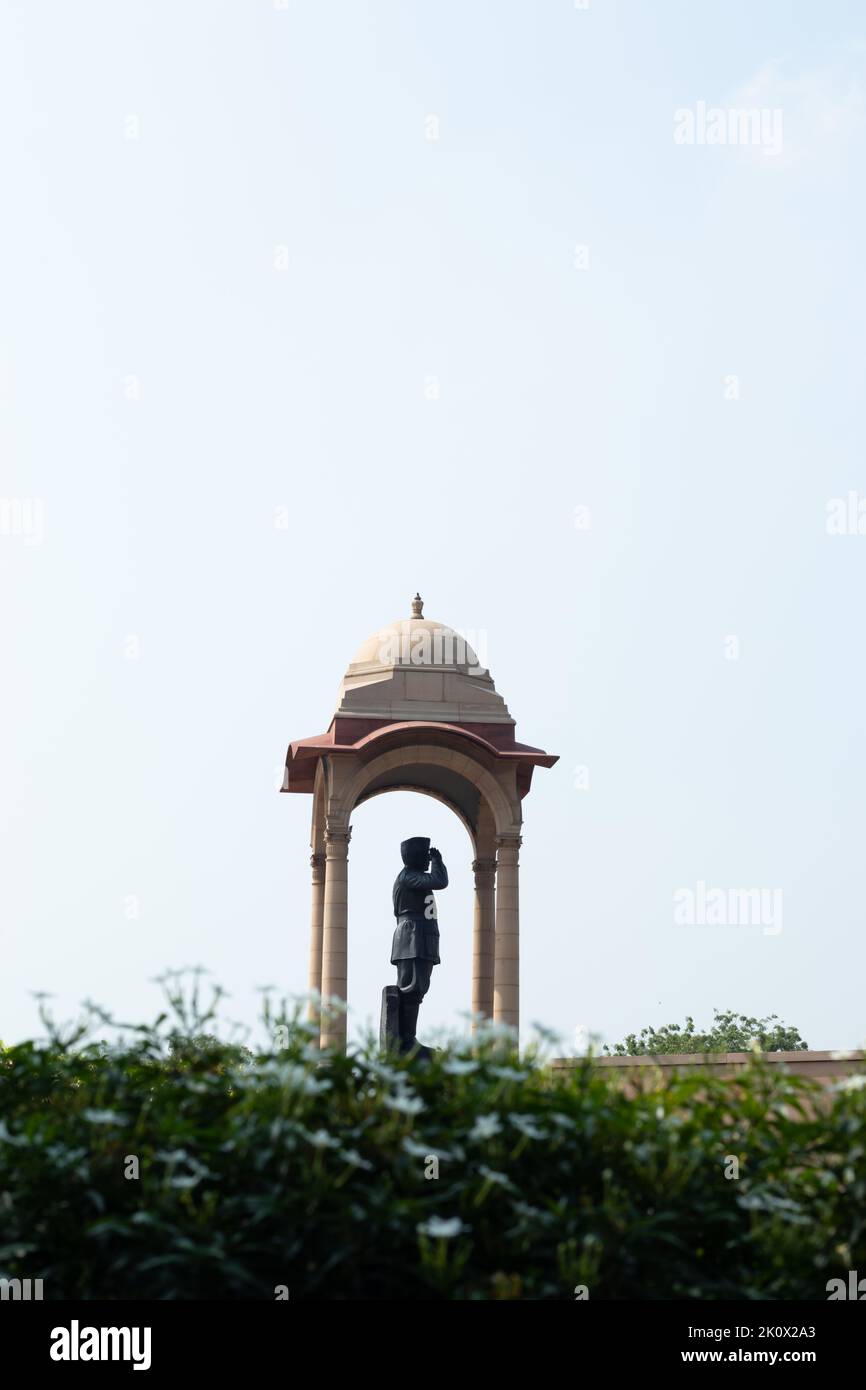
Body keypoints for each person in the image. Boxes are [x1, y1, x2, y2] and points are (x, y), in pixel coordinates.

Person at [391, 837, 448, 1055]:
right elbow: (440, 881)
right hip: (412, 938)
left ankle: (408, 1037)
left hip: (421, 937)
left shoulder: (413, 877)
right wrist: (437, 861)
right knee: (411, 988)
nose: (427, 859)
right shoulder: (408, 877)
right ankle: (406, 1040)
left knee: (418, 989)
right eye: (424, 855)